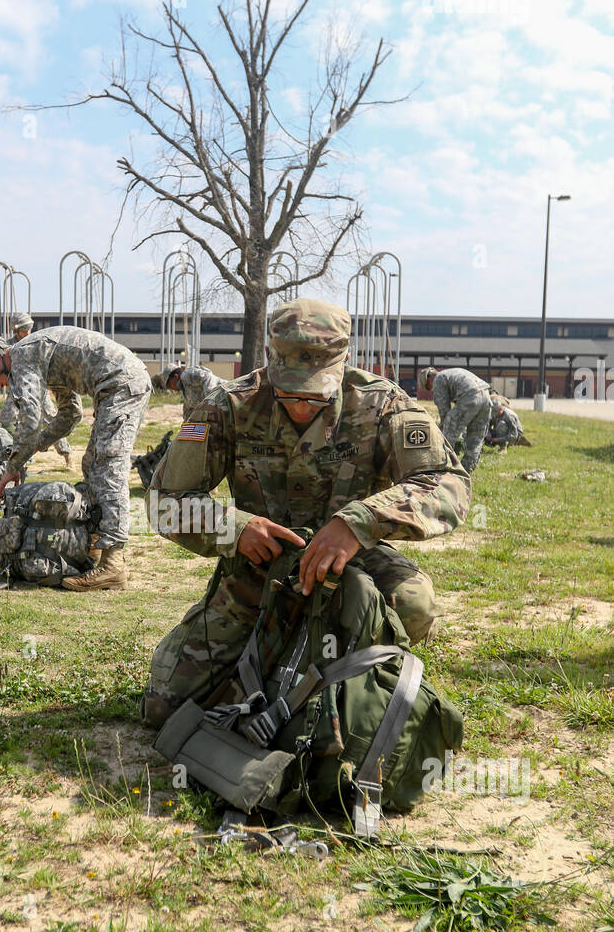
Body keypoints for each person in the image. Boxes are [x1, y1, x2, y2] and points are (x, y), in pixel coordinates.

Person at [141, 299, 471, 728]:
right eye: (288, 391)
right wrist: (235, 528)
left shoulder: (383, 405)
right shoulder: (227, 405)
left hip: (354, 567)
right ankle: (276, 651)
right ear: (267, 359)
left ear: (344, 361)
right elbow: (164, 500)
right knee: (165, 706)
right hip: (261, 570)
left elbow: (449, 484)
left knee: (414, 603)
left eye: (314, 393)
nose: (300, 406)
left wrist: (359, 522)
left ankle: (350, 661)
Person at [0, 325, 152, 591]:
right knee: (91, 465)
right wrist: (34, 448)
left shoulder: (22, 357)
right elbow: (70, 414)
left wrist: (12, 467)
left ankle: (114, 565)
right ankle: (95, 549)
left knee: (108, 469)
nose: (2, 386)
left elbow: (30, 421)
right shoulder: (39, 357)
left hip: (120, 384)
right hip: (115, 385)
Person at [0, 315, 74, 470]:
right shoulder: (8, 346)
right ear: (16, 329)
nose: (27, 332)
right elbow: (0, 368)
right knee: (6, 419)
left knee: (51, 422)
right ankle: (18, 455)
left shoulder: (36, 341)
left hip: (39, 390)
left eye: (28, 328)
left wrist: (52, 384)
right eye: (23, 329)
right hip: (16, 390)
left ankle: (68, 456)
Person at [420, 366, 491, 473]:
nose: (432, 390)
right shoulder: (451, 373)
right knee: (475, 440)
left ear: (429, 379)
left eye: (429, 388)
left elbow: (444, 413)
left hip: (470, 397)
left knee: (447, 435)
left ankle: (443, 468)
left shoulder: (438, 379)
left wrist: (438, 431)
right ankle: (465, 472)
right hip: (486, 397)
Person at [154, 363, 230, 419]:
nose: (171, 389)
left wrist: (210, 399)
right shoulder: (185, 394)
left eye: (169, 385)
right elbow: (188, 415)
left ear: (175, 377)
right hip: (223, 409)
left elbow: (207, 376)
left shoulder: (187, 375)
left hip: (229, 393)